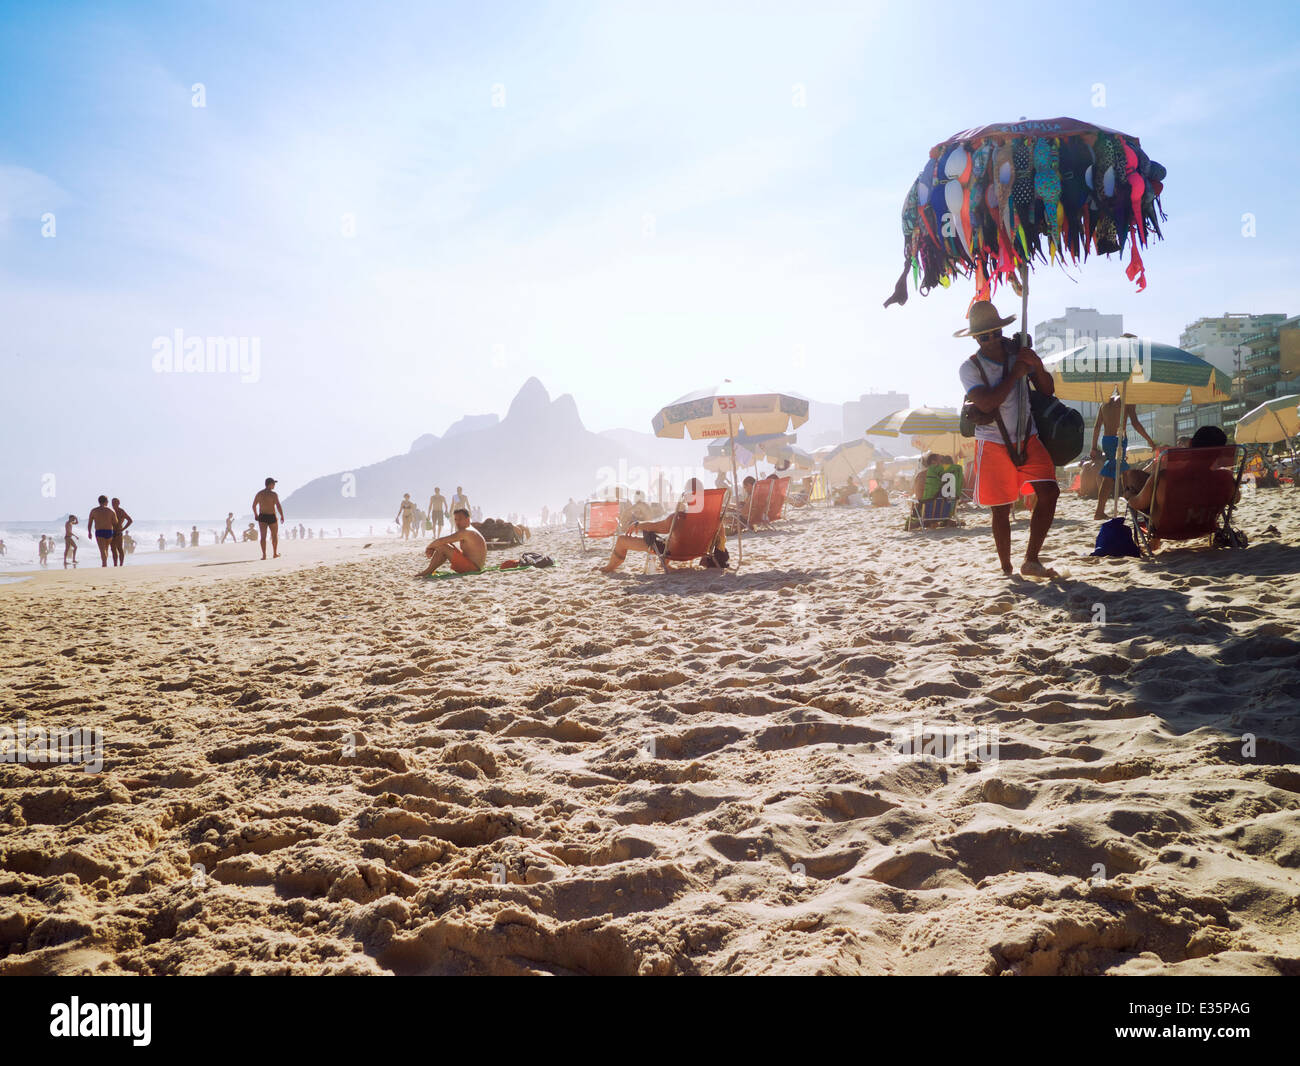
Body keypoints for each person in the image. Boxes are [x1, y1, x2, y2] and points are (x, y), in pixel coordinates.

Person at [956, 300, 1060, 578]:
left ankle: (1031, 560)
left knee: (1050, 493)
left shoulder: (1020, 355)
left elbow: (1048, 390)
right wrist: (1015, 374)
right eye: (984, 336)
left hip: (1028, 436)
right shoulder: (969, 368)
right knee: (1001, 510)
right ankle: (1006, 569)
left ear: (1001, 330)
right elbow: (988, 403)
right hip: (991, 442)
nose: (991, 340)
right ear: (976, 338)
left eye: (995, 333)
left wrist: (1035, 365)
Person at [598, 478, 720, 573]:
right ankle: (666, 564)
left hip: (675, 552)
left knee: (622, 540)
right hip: (699, 550)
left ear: (687, 495)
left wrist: (638, 525)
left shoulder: (678, 517)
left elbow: (658, 526)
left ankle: (608, 568)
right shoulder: (712, 517)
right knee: (669, 539)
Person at [1090, 389, 1157, 519]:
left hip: (1107, 440)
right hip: (1118, 441)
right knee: (1111, 476)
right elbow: (1135, 423)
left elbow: (1097, 426)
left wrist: (1093, 446)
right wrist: (1149, 440)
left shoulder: (1105, 402)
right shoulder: (1127, 401)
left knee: (1123, 472)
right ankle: (1101, 511)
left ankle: (1128, 504)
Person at [415, 507, 486, 577]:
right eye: (455, 519)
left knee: (442, 546)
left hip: (472, 568)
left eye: (460, 519)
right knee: (445, 545)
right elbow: (445, 541)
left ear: (468, 519)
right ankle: (429, 570)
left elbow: (440, 541)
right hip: (474, 566)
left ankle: (428, 571)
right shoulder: (470, 529)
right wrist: (433, 548)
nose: (457, 522)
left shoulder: (466, 532)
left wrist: (429, 547)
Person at [252, 477, 285, 560]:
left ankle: (264, 555)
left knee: (263, 537)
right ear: (270, 484)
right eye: (273, 483)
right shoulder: (273, 494)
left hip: (262, 516)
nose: (274, 485)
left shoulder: (259, 493)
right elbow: (278, 506)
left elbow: (254, 505)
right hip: (271, 516)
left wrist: (256, 515)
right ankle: (274, 553)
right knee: (274, 536)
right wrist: (282, 515)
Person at [110, 497, 133, 566]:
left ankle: (121, 564)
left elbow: (130, 520)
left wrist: (123, 529)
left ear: (118, 503)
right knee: (113, 549)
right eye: (112, 502)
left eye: (115, 502)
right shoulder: (110, 511)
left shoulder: (121, 511)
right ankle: (115, 564)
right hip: (111, 532)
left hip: (118, 532)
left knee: (119, 548)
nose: (113, 504)